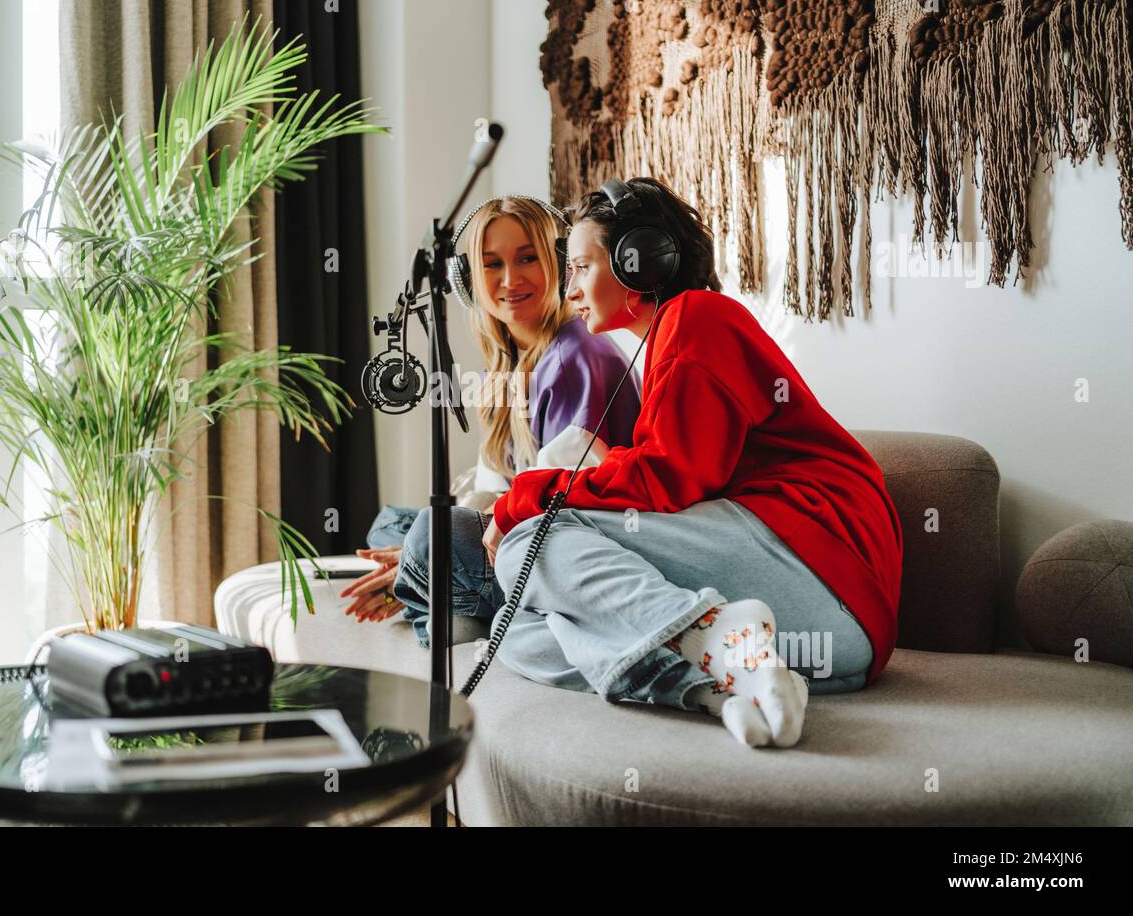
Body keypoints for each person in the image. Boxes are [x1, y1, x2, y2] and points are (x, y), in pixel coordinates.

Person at [481, 177, 904, 749]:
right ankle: (725, 684)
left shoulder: (698, 316)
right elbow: (670, 468)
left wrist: (521, 498)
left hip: (825, 578)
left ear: (640, 262)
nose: (571, 288)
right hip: (826, 650)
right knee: (520, 637)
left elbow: (670, 477)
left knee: (531, 543)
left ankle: (722, 643)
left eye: (581, 267)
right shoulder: (665, 345)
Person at [338, 195, 643, 649]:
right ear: (467, 282)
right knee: (392, 524)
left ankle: (445, 604)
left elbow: (555, 500)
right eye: (491, 264)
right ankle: (436, 591)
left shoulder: (577, 357)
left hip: (555, 545)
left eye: (527, 258)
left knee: (428, 533)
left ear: (559, 263)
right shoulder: (503, 368)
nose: (509, 279)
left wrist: (423, 555)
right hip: (508, 530)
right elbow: (496, 488)